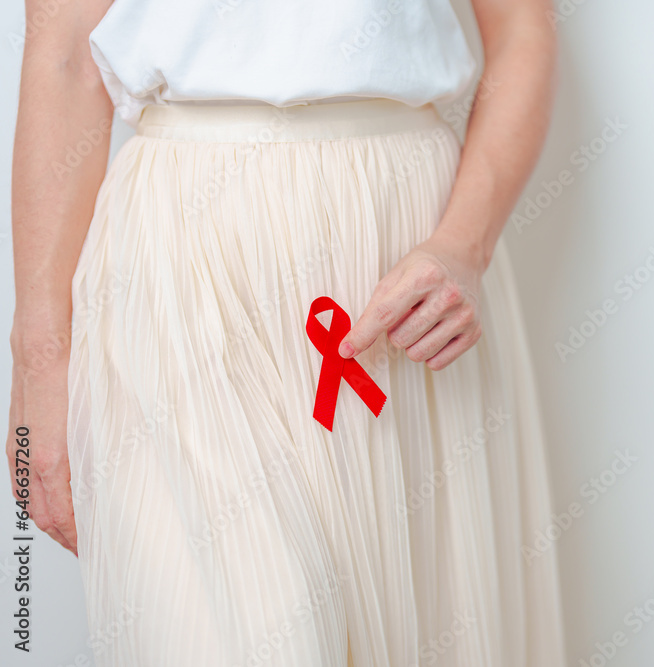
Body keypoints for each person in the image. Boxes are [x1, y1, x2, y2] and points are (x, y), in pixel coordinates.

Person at [6, 0, 566, 665]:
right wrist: (39, 368)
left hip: (400, 255)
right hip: (178, 254)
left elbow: (522, 30)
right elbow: (65, 56)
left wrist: (464, 245)